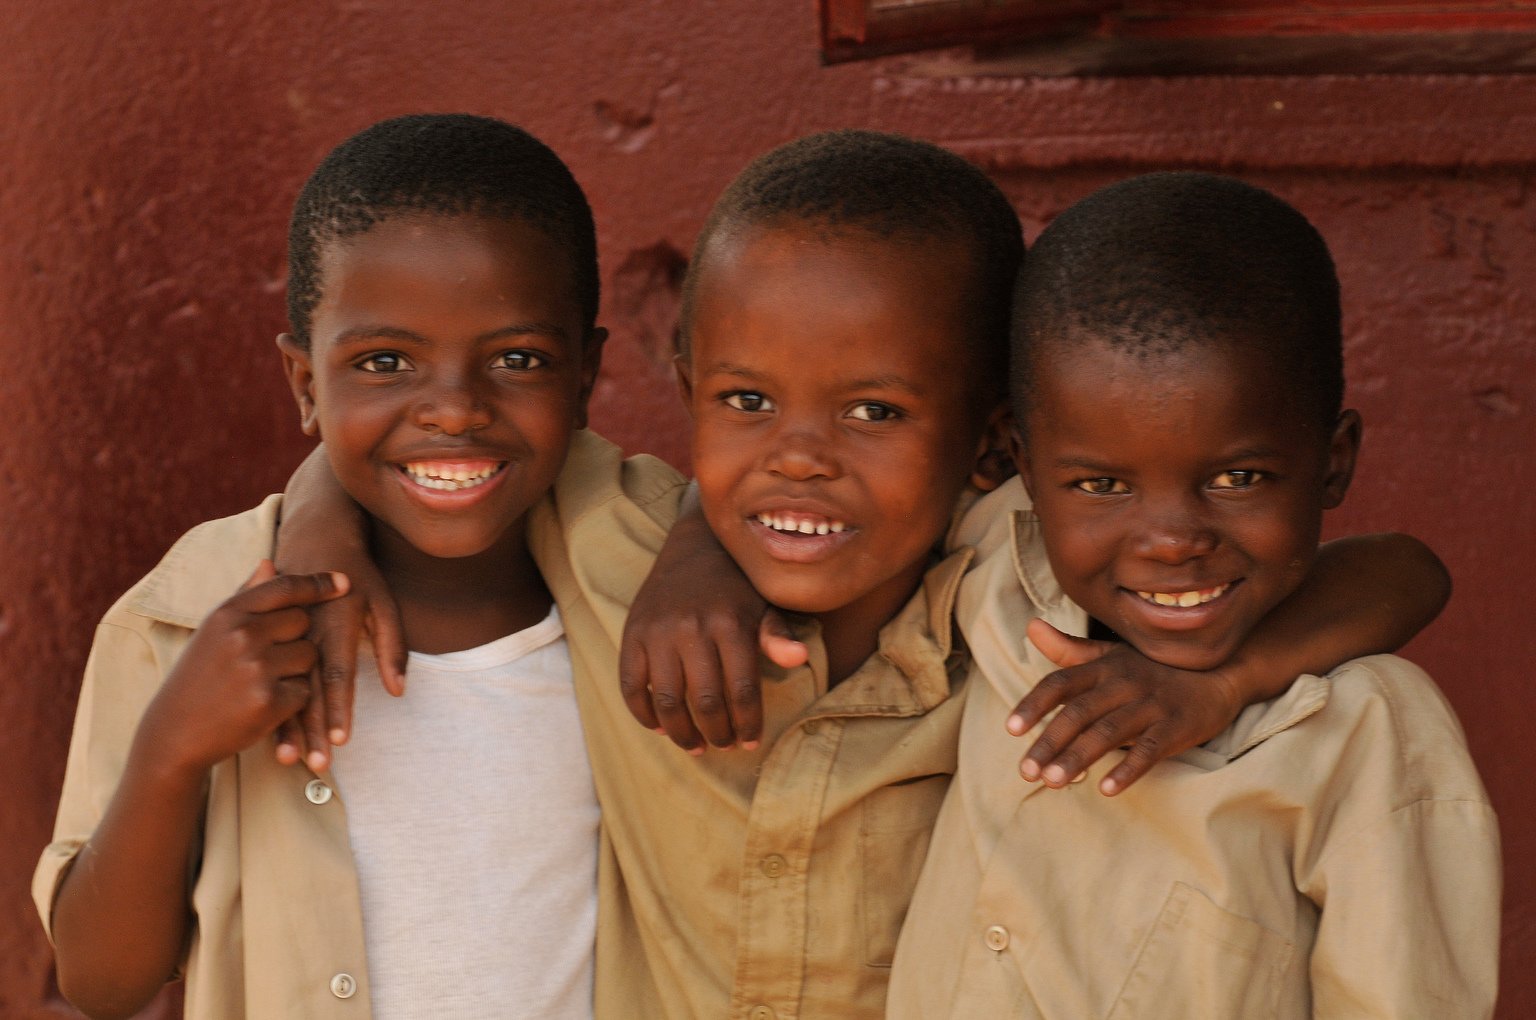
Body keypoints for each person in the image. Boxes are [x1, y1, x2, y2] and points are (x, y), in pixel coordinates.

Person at [283, 131, 1451, 1019]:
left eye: (875, 411)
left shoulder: (1025, 578)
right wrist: (319, 536)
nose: (798, 455)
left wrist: (1220, 683)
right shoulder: (612, 545)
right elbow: (448, 444)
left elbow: (1399, 572)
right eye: (745, 402)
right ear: (685, 381)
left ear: (996, 443)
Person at [33, 113, 635, 1019]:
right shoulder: (186, 618)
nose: (454, 411)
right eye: (385, 361)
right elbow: (100, 981)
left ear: (585, 374)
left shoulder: (642, 594)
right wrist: (173, 752)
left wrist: (700, 557)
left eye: (517, 359)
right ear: (306, 386)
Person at [887, 172, 1500, 1018]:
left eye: (1238, 477)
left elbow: (1412, 568)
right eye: (1101, 484)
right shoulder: (1000, 566)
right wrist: (696, 551)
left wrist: (1221, 687)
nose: (1173, 539)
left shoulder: (1364, 735)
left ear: (1333, 461)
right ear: (1020, 463)